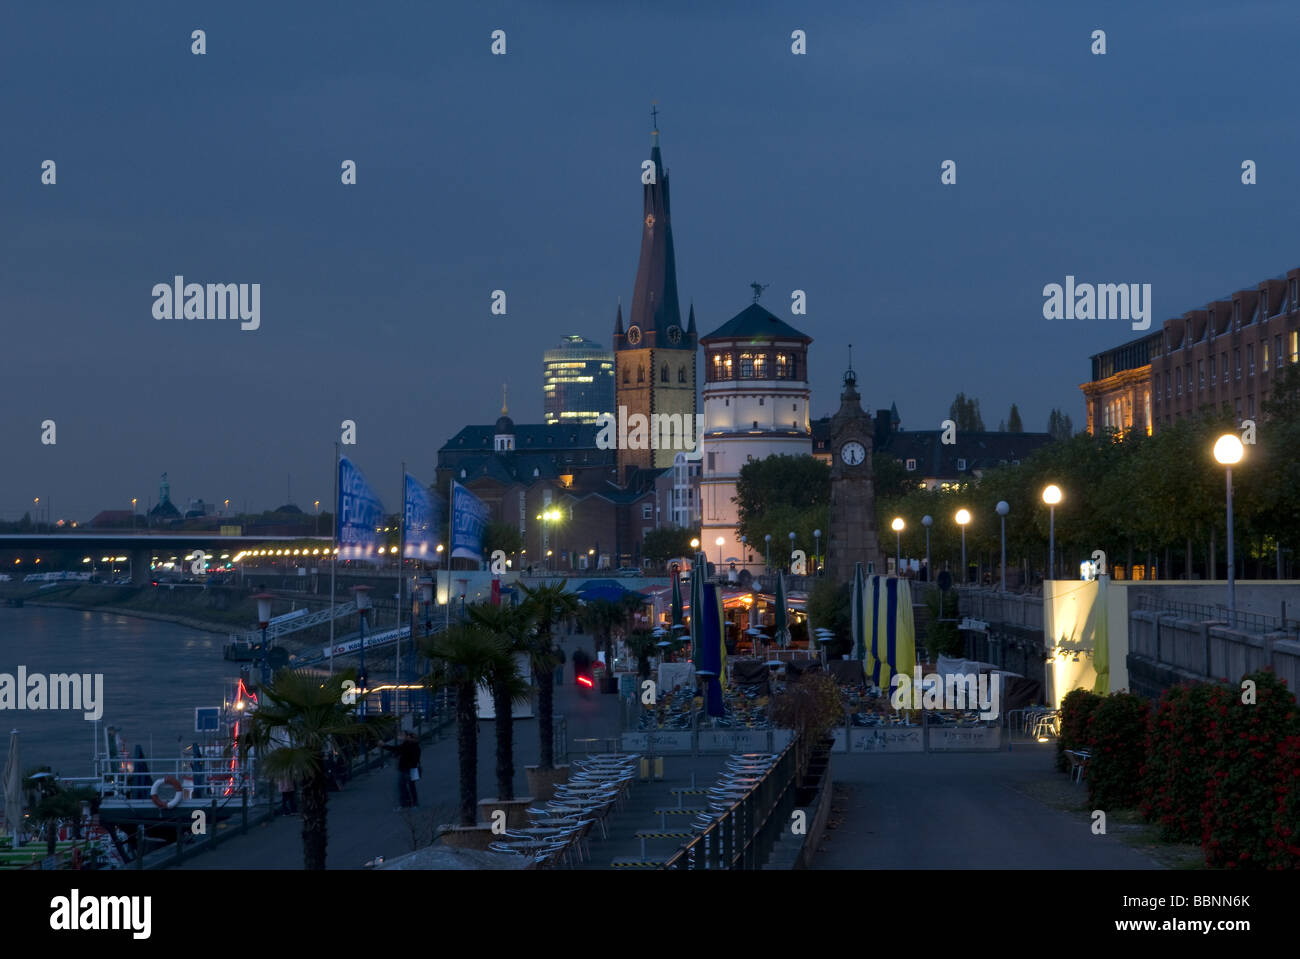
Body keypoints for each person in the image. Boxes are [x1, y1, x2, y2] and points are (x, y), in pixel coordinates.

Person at [381, 731, 422, 808]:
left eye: (402, 735)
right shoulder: (407, 745)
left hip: (408, 769)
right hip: (405, 769)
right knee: (404, 786)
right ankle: (408, 803)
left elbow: (396, 749)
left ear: (408, 737)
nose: (400, 737)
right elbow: (397, 749)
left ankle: (411, 803)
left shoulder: (411, 746)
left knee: (408, 786)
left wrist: (384, 746)